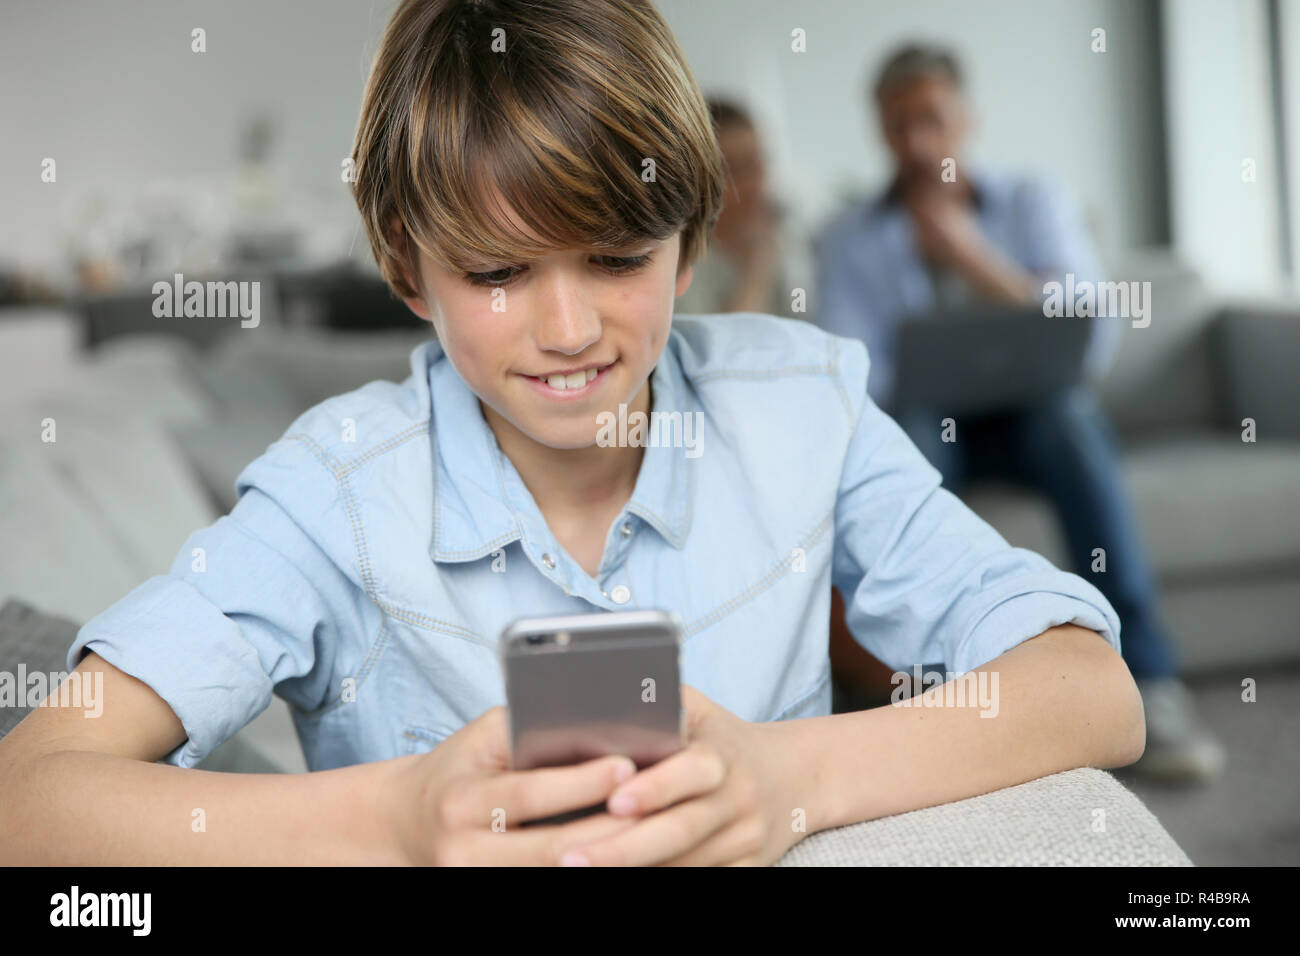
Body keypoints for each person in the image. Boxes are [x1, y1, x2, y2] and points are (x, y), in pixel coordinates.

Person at [0, 1, 1144, 866]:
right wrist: (395, 816)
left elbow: (1092, 689)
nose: (566, 328)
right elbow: (31, 794)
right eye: (496, 272)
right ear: (409, 267)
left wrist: (783, 775)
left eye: (616, 259)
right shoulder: (334, 490)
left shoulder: (806, 403)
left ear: (688, 244)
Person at [813, 42, 1224, 784]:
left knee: (1070, 418)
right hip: (925, 422)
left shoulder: (1036, 202)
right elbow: (853, 379)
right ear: (880, 130)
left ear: (966, 119)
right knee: (896, 454)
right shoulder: (848, 240)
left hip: (1033, 418)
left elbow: (1090, 338)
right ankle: (932, 704)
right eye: (899, 125)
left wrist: (969, 256)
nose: (917, 142)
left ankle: (1151, 682)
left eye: (931, 120)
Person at [673, 98, 811, 320]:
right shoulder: (680, 262)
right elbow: (719, 351)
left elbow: (807, 327)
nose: (755, 184)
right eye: (734, 170)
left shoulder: (789, 233)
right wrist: (757, 268)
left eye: (757, 163)